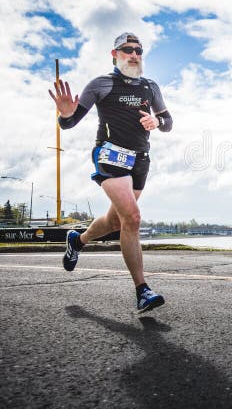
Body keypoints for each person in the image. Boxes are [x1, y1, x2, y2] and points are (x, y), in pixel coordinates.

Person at [48, 32, 173, 313]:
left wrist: (157, 120)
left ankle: (77, 240)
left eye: (138, 50)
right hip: (110, 155)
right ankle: (143, 291)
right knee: (133, 217)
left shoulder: (150, 86)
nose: (134, 54)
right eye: (127, 49)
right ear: (114, 54)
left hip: (140, 160)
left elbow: (168, 121)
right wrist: (65, 114)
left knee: (116, 221)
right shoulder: (101, 84)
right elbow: (69, 123)